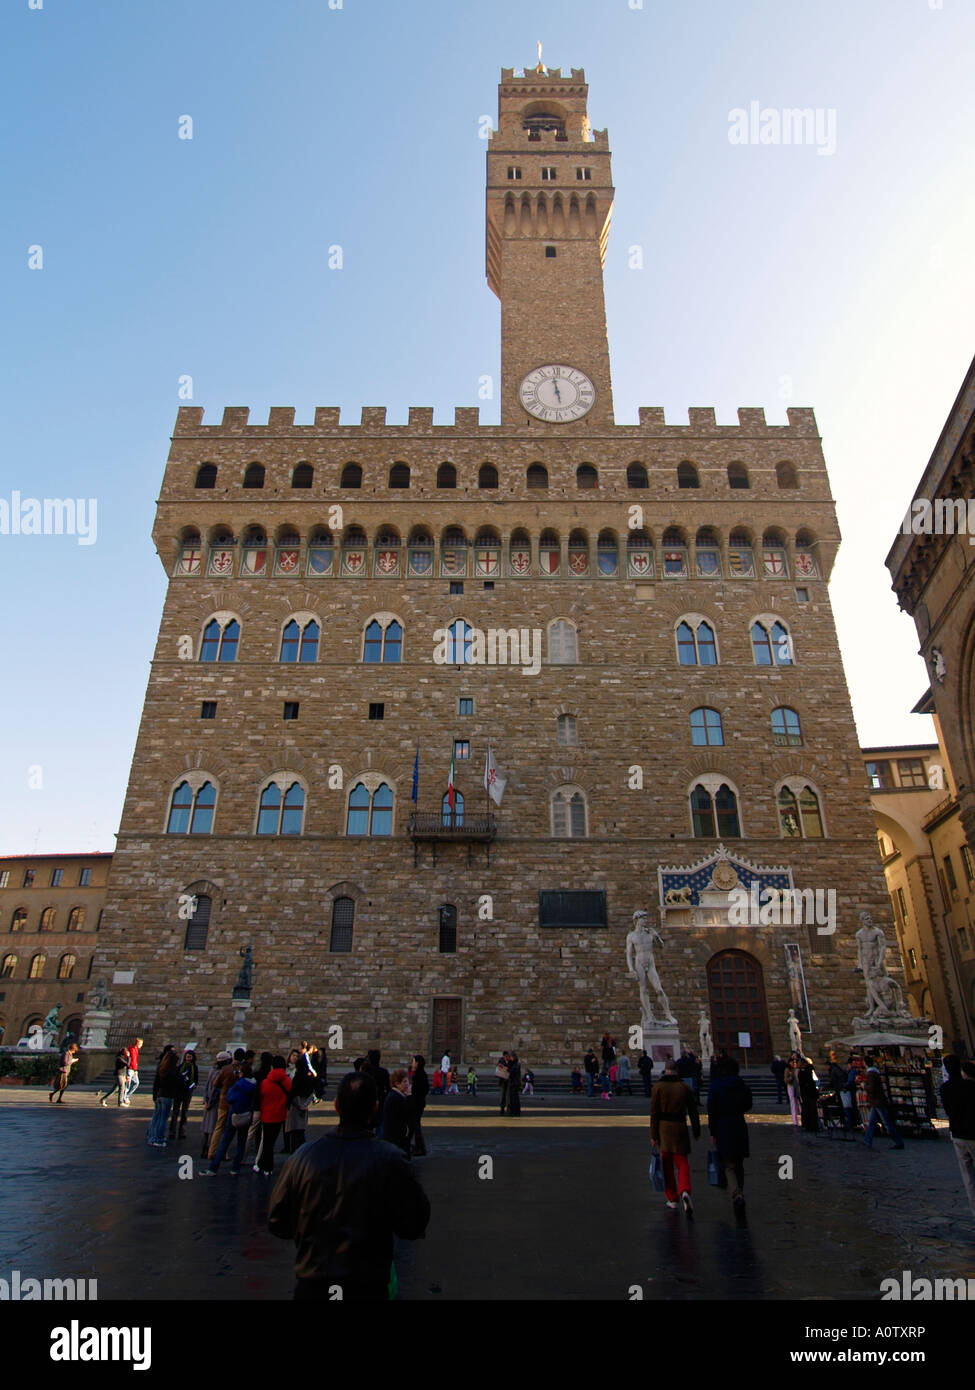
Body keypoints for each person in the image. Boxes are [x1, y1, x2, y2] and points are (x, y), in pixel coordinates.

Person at [268, 1072, 431, 1301]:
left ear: (336, 1106)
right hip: (368, 1286)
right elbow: (414, 1224)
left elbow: (278, 1221)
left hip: (312, 1284)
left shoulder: (301, 1158)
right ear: (375, 1108)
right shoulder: (391, 1160)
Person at [651, 1058, 700, 1216]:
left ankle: (672, 1198)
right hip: (680, 1127)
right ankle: (685, 1190)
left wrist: (653, 1135)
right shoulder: (684, 1087)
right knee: (682, 1163)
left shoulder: (658, 1087)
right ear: (677, 1071)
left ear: (665, 1070)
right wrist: (697, 1130)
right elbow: (693, 1111)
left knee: (667, 1165)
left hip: (664, 1129)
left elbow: (654, 1114)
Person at [707, 1056, 753, 1210]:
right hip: (739, 1125)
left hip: (722, 1127)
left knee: (728, 1164)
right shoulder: (741, 1084)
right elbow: (748, 1104)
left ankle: (736, 1193)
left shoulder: (715, 1086)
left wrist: (712, 1131)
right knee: (739, 1162)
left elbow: (711, 1110)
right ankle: (740, 1191)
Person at [203, 1061, 257, 1175]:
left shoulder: (239, 1084)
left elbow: (230, 1097)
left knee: (225, 1140)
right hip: (246, 1115)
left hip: (234, 1114)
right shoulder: (254, 1084)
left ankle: (213, 1168)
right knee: (241, 1143)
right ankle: (235, 1168)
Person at [939, 1055, 975, 1222]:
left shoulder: (944, 1088)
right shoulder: (970, 1086)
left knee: (968, 1178)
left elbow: (947, 1111)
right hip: (972, 1133)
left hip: (958, 1135)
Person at [257, 1055, 292, 1175]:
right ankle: (263, 1164)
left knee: (267, 1141)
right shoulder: (287, 1081)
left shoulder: (265, 1082)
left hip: (266, 1115)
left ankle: (266, 1166)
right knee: (271, 1141)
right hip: (280, 1115)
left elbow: (261, 1097)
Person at [208, 1048, 245, 1159]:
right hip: (236, 1102)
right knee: (230, 1129)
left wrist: (223, 1090)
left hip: (224, 1101)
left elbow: (216, 1084)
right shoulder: (243, 1070)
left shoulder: (226, 1069)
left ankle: (212, 1152)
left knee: (219, 1127)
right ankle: (224, 1152)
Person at [862, 1058, 904, 1150]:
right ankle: (867, 1140)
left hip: (877, 1102)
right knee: (872, 1123)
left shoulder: (871, 1074)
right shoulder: (875, 1073)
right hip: (876, 1102)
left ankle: (898, 1141)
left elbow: (872, 1088)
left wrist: (864, 1086)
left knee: (887, 1123)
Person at [146, 1045, 181, 1146]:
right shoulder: (172, 1071)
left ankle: (152, 1137)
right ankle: (159, 1139)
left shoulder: (162, 1068)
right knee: (163, 1119)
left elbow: (156, 1082)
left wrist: (155, 1095)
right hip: (167, 1096)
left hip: (160, 1095)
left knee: (156, 1117)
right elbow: (175, 1083)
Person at [382, 1069, 416, 1157]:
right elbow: (409, 1112)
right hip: (397, 1138)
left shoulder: (395, 1096)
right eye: (404, 1082)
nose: (407, 1084)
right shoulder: (396, 1097)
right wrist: (409, 1096)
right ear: (397, 1083)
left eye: (407, 1081)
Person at [201, 1052, 228, 1159]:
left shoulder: (212, 1070)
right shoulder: (219, 1072)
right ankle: (210, 1150)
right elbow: (214, 1089)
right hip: (215, 1103)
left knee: (206, 1128)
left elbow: (207, 1086)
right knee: (214, 1127)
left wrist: (205, 1100)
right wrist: (210, 1102)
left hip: (209, 1102)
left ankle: (204, 1149)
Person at [169, 1048, 198, 1141]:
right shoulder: (181, 1066)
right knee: (175, 1111)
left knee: (184, 1112)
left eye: (190, 1057)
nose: (188, 1058)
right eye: (187, 1057)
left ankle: (182, 1131)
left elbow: (196, 1079)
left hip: (187, 1092)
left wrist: (193, 1085)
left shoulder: (194, 1067)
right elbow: (176, 1077)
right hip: (179, 1091)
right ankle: (172, 1131)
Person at [100, 1043, 131, 1107]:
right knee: (122, 1088)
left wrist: (126, 1076)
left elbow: (125, 1067)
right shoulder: (119, 1058)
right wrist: (128, 1057)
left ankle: (103, 1099)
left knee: (114, 1089)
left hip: (121, 1075)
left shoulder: (121, 1058)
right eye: (126, 1052)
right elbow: (128, 1065)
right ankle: (120, 1102)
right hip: (119, 1075)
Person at [410, 1055, 429, 1157]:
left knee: (415, 1125)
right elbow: (426, 1089)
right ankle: (420, 1147)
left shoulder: (418, 1075)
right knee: (415, 1125)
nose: (412, 1064)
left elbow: (418, 1091)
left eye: (413, 1062)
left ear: (417, 1063)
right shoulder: (422, 1074)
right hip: (420, 1103)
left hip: (416, 1104)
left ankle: (420, 1148)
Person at [797, 1056, 821, 1134]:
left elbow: (813, 1082)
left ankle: (811, 1125)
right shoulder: (804, 1071)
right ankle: (810, 1125)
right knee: (809, 1110)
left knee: (810, 1110)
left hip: (809, 1093)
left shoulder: (807, 1071)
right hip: (808, 1093)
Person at [783, 1054, 799, 1126]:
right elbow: (786, 1080)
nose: (794, 1064)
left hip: (797, 1086)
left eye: (795, 1062)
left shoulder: (796, 1069)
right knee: (793, 1103)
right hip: (791, 1086)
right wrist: (791, 1077)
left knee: (799, 1102)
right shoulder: (787, 1070)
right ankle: (795, 1121)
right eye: (792, 1062)